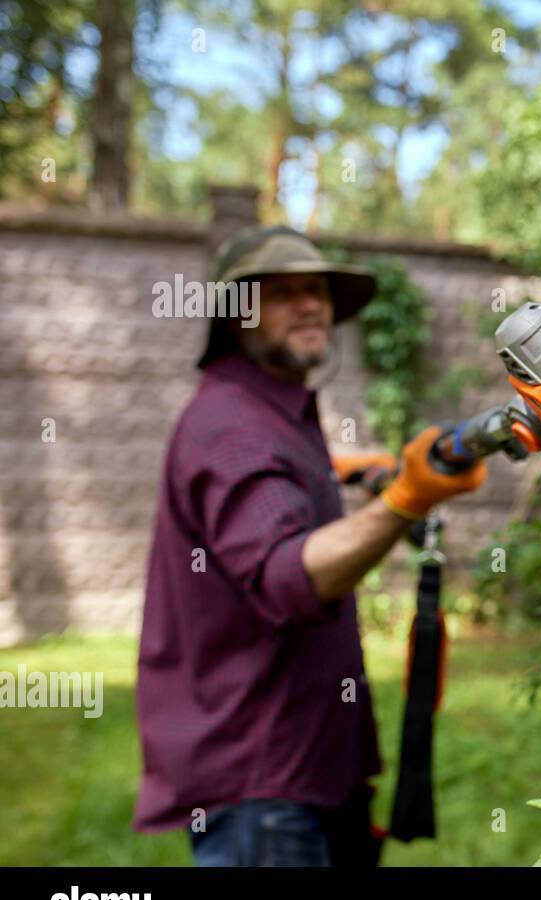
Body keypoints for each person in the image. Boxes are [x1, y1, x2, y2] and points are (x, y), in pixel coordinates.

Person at [131, 225, 486, 866]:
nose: (310, 304)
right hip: (262, 788)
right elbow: (287, 573)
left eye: (317, 289)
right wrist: (406, 497)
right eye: (283, 292)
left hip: (307, 763)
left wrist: (342, 471)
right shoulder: (233, 427)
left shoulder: (264, 411)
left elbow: (270, 485)